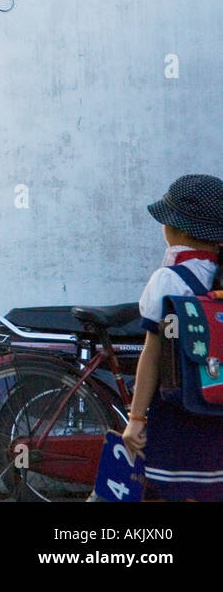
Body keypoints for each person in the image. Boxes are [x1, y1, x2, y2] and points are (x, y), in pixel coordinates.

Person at [121, 174, 223, 501]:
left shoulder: (170, 279)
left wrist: (136, 419)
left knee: (185, 492)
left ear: (178, 229)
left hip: (182, 411)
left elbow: (153, 353)